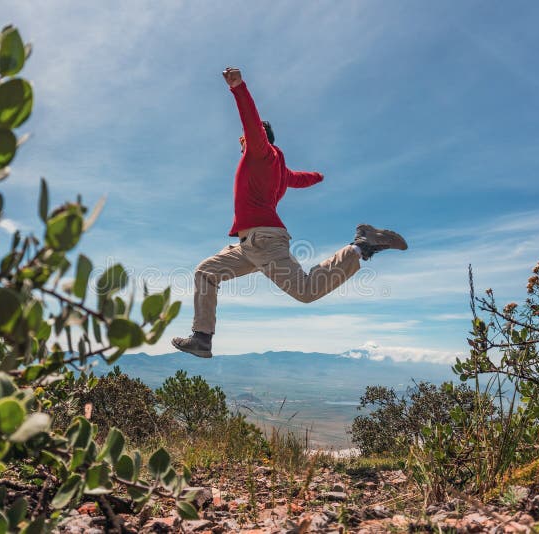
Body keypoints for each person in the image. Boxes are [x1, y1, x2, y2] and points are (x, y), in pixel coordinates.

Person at [172, 67, 407, 358]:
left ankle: (361, 246)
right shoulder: (280, 171)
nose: (240, 143)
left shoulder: (259, 152)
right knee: (205, 272)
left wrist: (239, 87)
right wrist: (318, 176)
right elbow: (299, 178)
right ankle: (202, 338)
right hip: (249, 246)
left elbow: (251, 121)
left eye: (244, 139)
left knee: (306, 291)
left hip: (265, 242)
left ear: (255, 138)